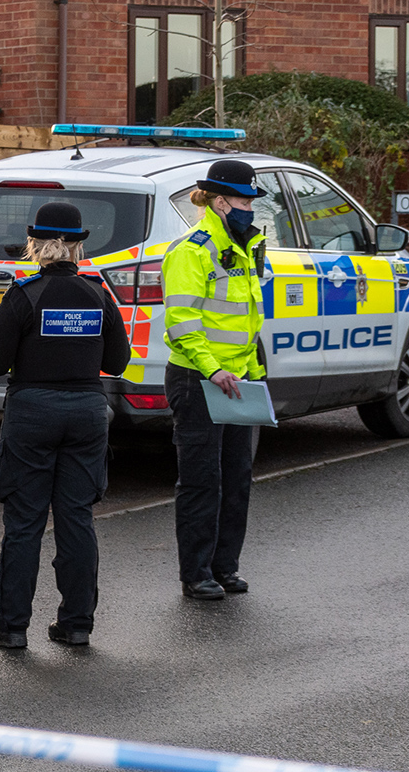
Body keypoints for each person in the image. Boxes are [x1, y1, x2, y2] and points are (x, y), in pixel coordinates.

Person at [0, 202, 130, 649]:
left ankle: (12, 629)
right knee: (76, 519)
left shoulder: (24, 294)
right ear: (78, 245)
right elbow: (117, 362)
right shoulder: (99, 294)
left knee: (24, 524)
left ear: (35, 245)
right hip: (86, 411)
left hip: (32, 412)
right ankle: (77, 623)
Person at [162, 159, 267, 601]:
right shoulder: (192, 251)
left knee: (237, 477)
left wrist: (254, 375)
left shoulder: (245, 248)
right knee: (202, 481)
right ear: (220, 201)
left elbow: (248, 320)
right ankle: (196, 573)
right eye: (244, 200)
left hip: (237, 380)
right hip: (199, 379)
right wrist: (213, 369)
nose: (250, 208)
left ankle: (225, 567)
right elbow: (182, 323)